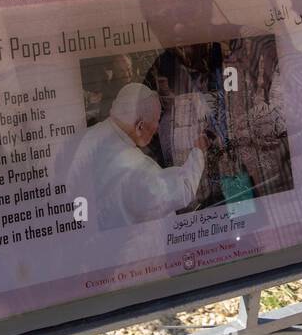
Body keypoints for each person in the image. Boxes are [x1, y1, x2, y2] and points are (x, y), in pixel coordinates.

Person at [77, 82, 206, 229]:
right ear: (139, 126)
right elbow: (183, 191)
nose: (158, 128)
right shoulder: (138, 168)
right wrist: (198, 152)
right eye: (156, 121)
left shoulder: (90, 136)